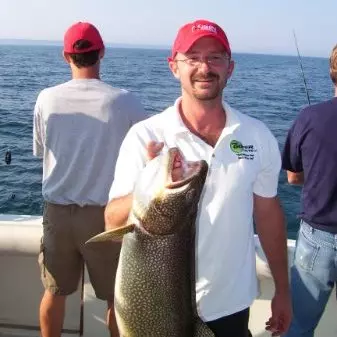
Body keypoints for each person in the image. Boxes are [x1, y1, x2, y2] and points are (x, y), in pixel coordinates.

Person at [104, 19, 292, 337]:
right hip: (158, 303)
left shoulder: (257, 135)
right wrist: (149, 186)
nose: (204, 67)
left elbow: (269, 216)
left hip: (231, 305)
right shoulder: (145, 136)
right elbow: (112, 223)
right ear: (173, 67)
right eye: (192, 58)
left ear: (230, 68)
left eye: (215, 57)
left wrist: (283, 291)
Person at [33, 21, 147, 337]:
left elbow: (41, 149)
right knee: (117, 298)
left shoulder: (46, 99)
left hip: (57, 214)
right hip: (106, 218)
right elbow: (146, 156)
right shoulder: (125, 101)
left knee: (54, 292)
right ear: (102, 53)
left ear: (65, 56)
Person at [282, 45, 337, 337]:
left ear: (332, 74)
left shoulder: (309, 116)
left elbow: (292, 177)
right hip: (318, 237)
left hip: (317, 239)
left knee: (300, 327)